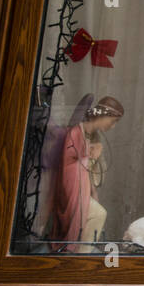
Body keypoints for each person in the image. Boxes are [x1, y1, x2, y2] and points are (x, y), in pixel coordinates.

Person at [49, 96, 124, 253]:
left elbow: (91, 170)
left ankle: (83, 250)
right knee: (98, 214)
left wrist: (94, 192)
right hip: (71, 191)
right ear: (104, 115)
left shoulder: (94, 135)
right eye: (113, 121)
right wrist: (91, 158)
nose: (113, 126)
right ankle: (79, 251)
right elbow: (68, 166)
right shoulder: (76, 132)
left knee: (98, 214)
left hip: (82, 189)